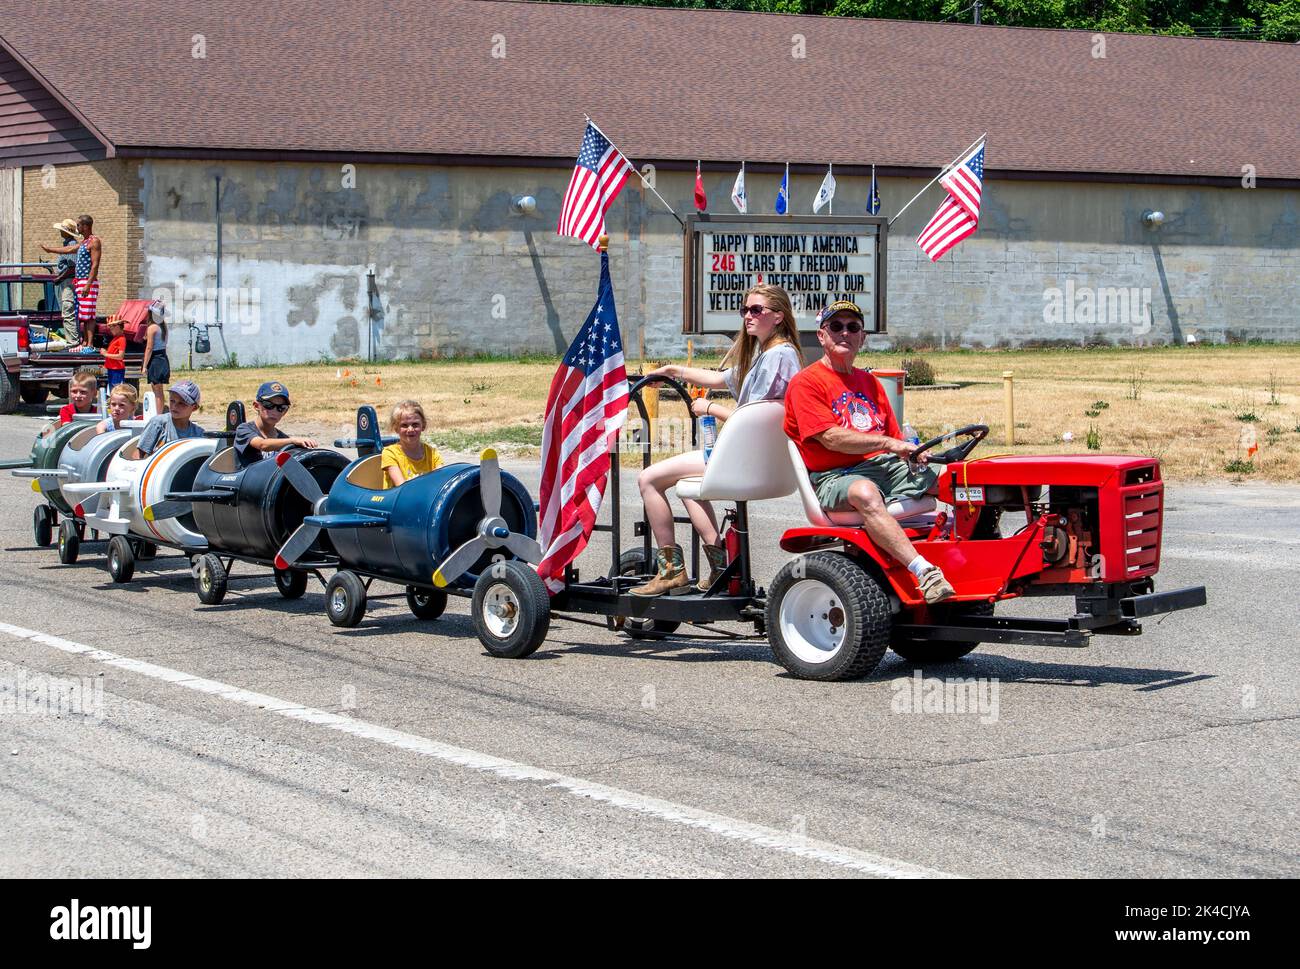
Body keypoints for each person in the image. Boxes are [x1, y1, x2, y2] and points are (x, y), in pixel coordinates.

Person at [631, 283, 804, 596]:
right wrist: (672, 371)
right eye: (745, 310)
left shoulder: (779, 356)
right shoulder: (768, 355)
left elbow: (758, 416)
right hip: (754, 458)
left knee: (648, 479)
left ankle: (670, 569)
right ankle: (719, 563)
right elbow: (718, 378)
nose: (748, 316)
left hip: (747, 458)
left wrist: (709, 407)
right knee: (688, 487)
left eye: (756, 310)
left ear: (778, 316)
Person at [784, 299, 954, 604]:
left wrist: (913, 452)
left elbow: (895, 439)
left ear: (862, 337)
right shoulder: (806, 383)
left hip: (884, 467)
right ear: (822, 335)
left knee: (955, 479)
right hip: (834, 476)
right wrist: (889, 444)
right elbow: (831, 438)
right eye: (836, 326)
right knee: (865, 492)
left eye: (853, 327)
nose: (844, 333)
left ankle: (968, 553)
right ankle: (924, 571)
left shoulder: (870, 382)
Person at [233, 381, 318, 468]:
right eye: (269, 405)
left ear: (285, 412)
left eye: (281, 408)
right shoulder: (244, 429)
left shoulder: (283, 439)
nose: (274, 412)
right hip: (247, 479)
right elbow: (262, 444)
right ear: (256, 406)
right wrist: (292, 440)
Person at [41, 214, 100, 340]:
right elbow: (69, 249)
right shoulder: (84, 242)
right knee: (83, 314)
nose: (77, 227)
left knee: (89, 314)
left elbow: (95, 265)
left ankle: (88, 344)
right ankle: (84, 342)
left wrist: (88, 285)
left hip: (87, 282)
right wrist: (50, 250)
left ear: (85, 226)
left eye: (78, 225)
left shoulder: (94, 241)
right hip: (80, 281)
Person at [381, 400, 442, 488]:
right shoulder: (390, 453)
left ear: (423, 426)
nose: (410, 429)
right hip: (398, 500)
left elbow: (441, 481)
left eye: (415, 424)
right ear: (396, 428)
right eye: (404, 425)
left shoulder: (432, 454)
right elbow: (402, 488)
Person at [137, 380, 204, 456]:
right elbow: (138, 455)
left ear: (194, 407)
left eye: (181, 403)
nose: (175, 406)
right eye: (172, 401)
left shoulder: (198, 434)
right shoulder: (158, 424)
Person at [44, 219, 81, 346]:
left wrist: (59, 278)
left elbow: (72, 267)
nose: (60, 231)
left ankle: (73, 341)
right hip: (66, 281)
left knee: (67, 309)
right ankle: (72, 340)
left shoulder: (71, 244)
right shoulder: (67, 244)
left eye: (62, 230)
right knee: (66, 311)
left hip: (68, 282)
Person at [140, 303, 170, 416]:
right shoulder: (164, 326)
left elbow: (149, 348)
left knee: (157, 390)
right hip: (163, 357)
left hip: (155, 359)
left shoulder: (152, 328)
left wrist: (144, 366)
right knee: (158, 390)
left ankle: (158, 415)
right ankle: (159, 413)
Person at [102, 317, 127, 389]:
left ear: (118, 326)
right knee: (112, 389)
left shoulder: (121, 339)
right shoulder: (116, 338)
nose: (110, 329)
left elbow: (120, 356)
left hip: (117, 369)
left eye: (111, 327)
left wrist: (105, 354)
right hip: (112, 368)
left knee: (116, 389)